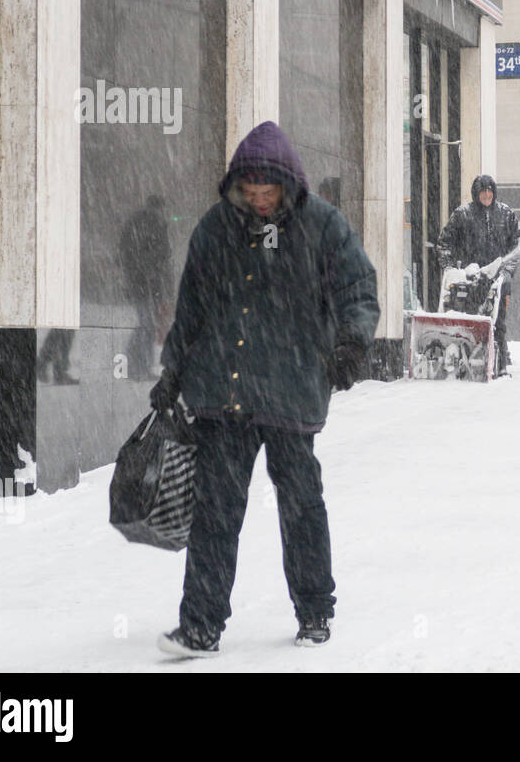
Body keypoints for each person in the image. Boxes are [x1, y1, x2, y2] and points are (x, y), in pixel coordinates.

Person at [150, 120, 379, 656]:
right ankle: (201, 625)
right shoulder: (214, 228)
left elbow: (358, 288)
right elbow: (191, 309)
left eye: (267, 191)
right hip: (222, 392)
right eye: (249, 192)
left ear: (287, 186)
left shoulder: (322, 225)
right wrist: (172, 373)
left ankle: (315, 610)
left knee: (300, 503)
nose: (258, 200)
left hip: (290, 387)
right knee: (215, 511)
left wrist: (351, 343)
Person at [437, 175, 520, 376]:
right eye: (483, 191)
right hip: (469, 277)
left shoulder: (505, 214)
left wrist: (506, 271)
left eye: (490, 191)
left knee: (498, 320)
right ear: (476, 194)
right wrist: (450, 269)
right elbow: (444, 243)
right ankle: (463, 356)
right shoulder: (462, 215)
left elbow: (516, 246)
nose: (486, 195)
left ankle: (499, 361)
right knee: (465, 317)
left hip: (496, 277)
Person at [120, 195, 172, 380]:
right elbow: (162, 255)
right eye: (160, 209)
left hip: (144, 282)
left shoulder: (140, 224)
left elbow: (162, 256)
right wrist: (148, 270)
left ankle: (135, 365)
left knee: (147, 325)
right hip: (145, 282)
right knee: (147, 325)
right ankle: (138, 366)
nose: (161, 212)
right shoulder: (150, 225)